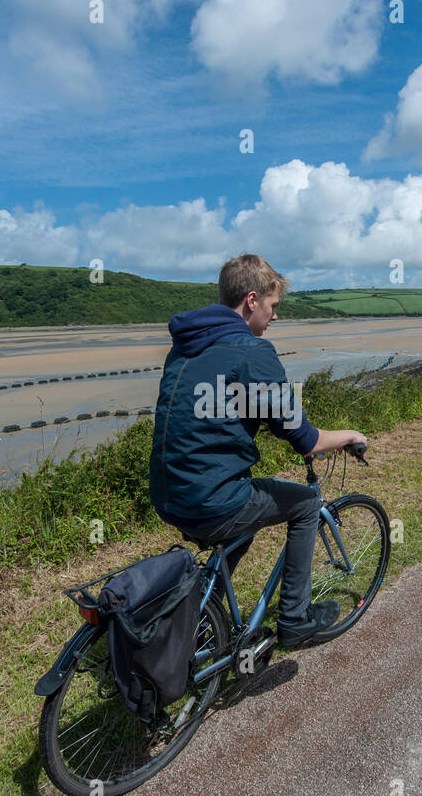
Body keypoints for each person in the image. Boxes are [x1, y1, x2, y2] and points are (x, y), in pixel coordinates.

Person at [149, 254, 367, 647]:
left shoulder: (186, 346)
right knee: (303, 504)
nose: (275, 317)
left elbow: (213, 407)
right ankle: (296, 619)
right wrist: (350, 435)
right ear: (252, 300)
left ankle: (201, 616)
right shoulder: (252, 351)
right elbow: (308, 440)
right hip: (210, 499)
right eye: (273, 306)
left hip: (167, 495)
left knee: (243, 526)